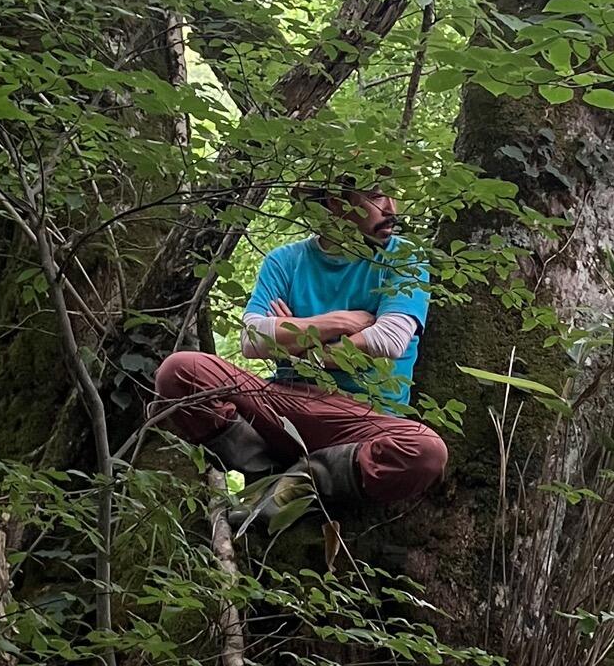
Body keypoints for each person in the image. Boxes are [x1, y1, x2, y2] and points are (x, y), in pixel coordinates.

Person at [151, 180, 448, 524]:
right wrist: (339, 321)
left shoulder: (402, 258)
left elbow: (389, 339)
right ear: (337, 203)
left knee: (426, 451)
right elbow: (251, 339)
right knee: (179, 371)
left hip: (363, 420)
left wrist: (294, 341)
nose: (391, 208)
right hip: (286, 403)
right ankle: (266, 466)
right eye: (377, 195)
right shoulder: (285, 262)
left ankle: (309, 477)